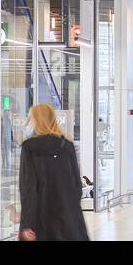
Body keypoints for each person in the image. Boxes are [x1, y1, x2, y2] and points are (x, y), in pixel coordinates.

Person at [18, 103, 90, 241]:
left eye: (30, 118)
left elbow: (28, 188)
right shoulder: (67, 145)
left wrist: (27, 224)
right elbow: (77, 185)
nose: (28, 122)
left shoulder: (29, 148)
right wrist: (71, 211)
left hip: (42, 216)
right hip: (69, 217)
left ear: (37, 121)